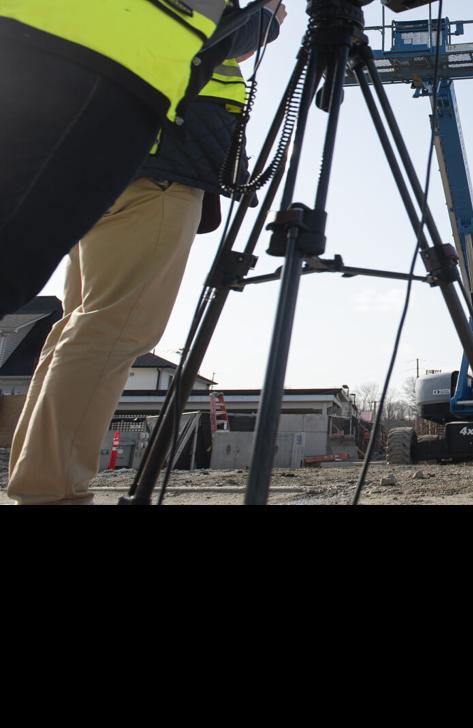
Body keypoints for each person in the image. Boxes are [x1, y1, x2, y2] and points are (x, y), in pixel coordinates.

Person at [5, 1, 285, 506]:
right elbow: (205, 42)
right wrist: (263, 19)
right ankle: (53, 492)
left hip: (108, 154)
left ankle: (38, 477)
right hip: (160, 170)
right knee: (111, 330)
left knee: (80, 326)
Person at [0, 0, 265, 316]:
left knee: (81, 318)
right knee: (114, 326)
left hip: (70, 105)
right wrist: (263, 21)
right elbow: (209, 30)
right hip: (157, 157)